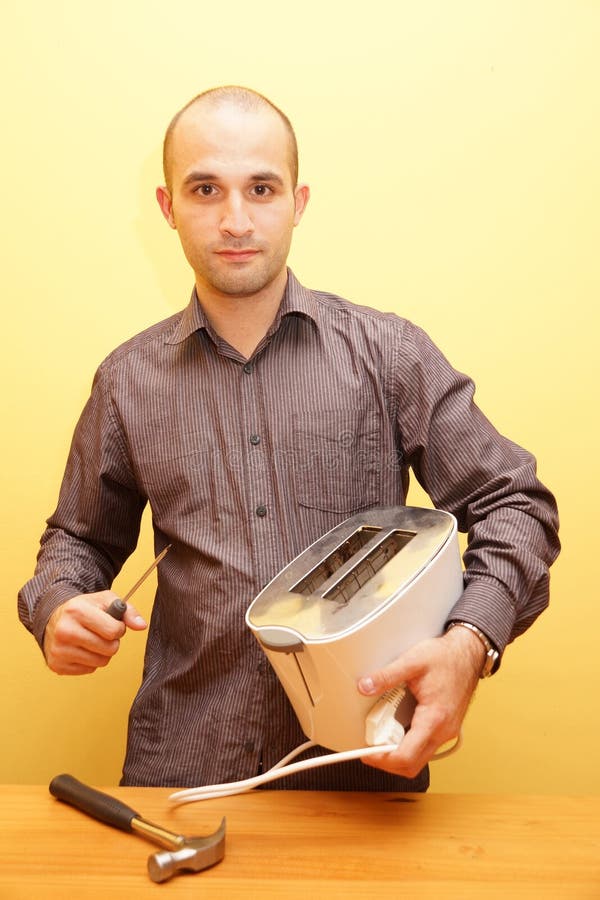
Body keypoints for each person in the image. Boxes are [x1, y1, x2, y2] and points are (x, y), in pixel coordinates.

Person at [18, 86, 560, 790]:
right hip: (179, 777)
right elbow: (78, 540)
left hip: (360, 780)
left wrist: (470, 643)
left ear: (297, 203)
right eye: (205, 189)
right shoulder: (126, 381)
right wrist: (58, 605)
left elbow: (517, 504)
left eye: (261, 188)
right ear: (167, 207)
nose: (236, 220)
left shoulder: (390, 356)